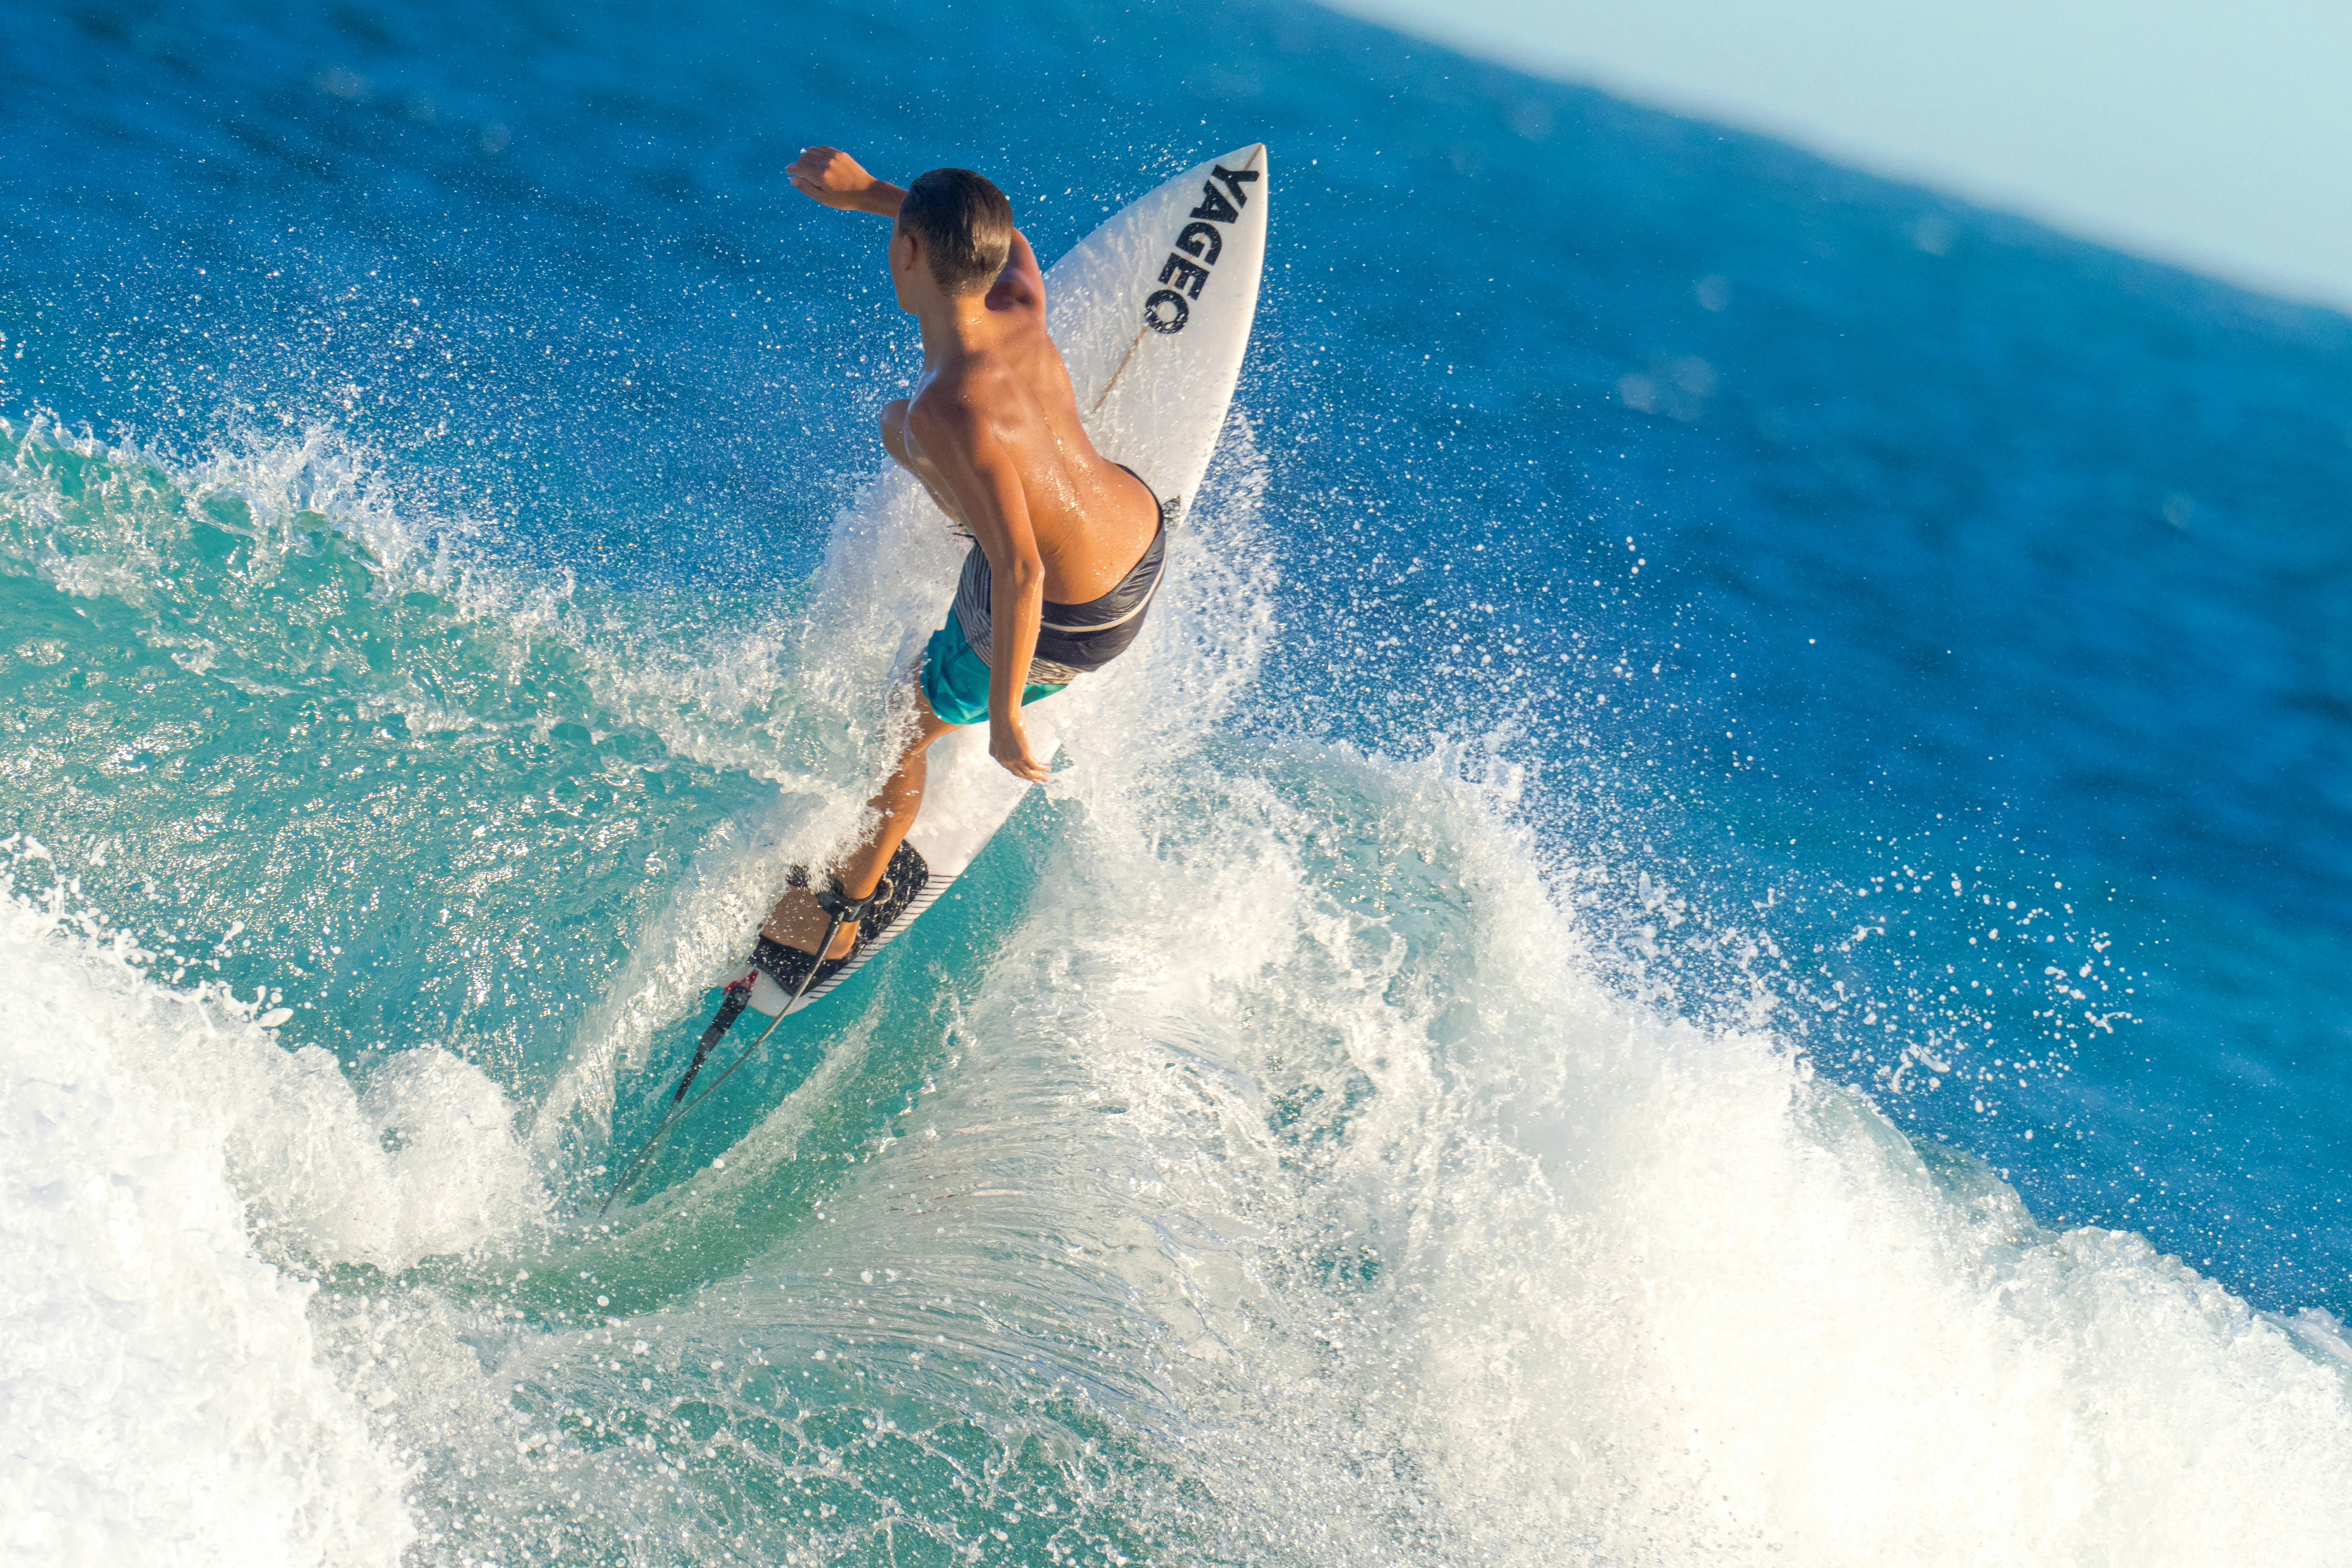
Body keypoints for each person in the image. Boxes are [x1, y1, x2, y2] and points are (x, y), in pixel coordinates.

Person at [750, 147, 1166, 985]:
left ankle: (842, 908)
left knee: (904, 720)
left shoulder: (947, 412)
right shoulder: (1019, 300)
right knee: (918, 437)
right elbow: (1012, 240)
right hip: (1140, 528)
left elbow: (1020, 573)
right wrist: (875, 194)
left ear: (907, 253)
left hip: (1074, 616)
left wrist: (1008, 716)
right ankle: (988, 592)